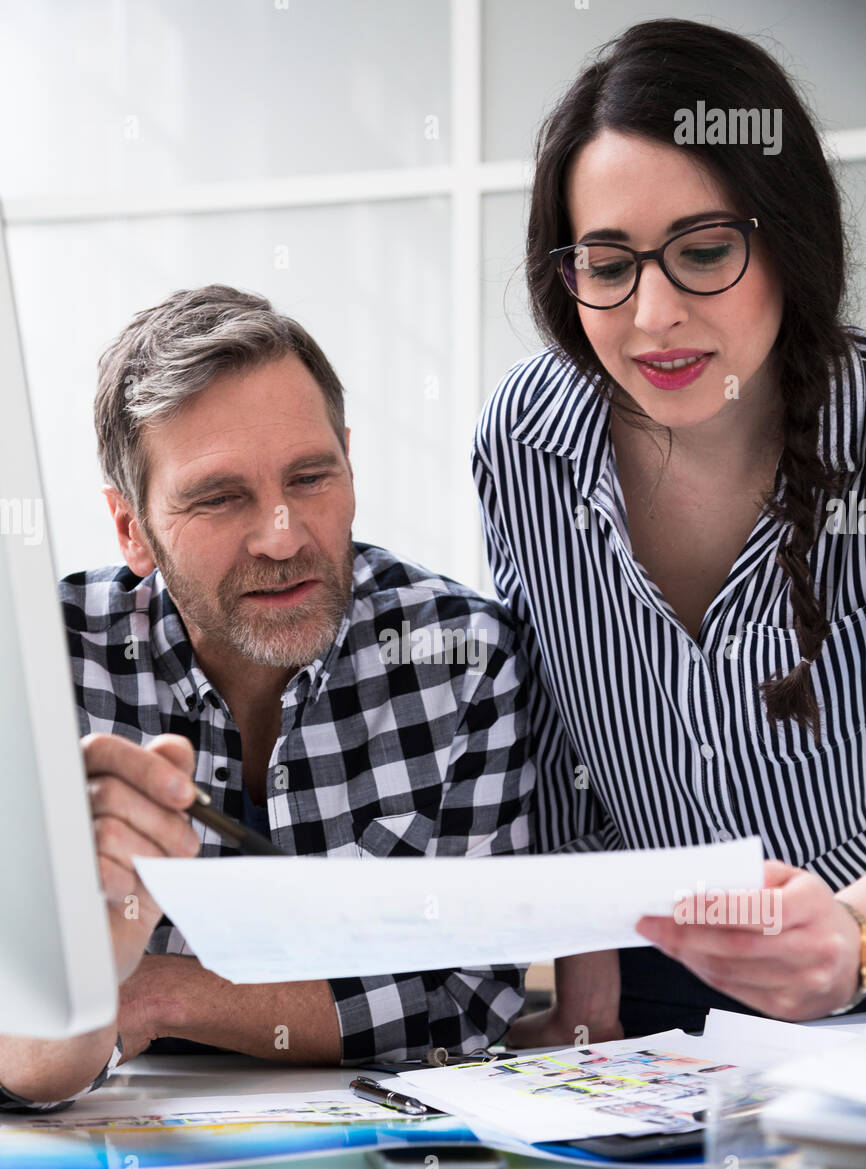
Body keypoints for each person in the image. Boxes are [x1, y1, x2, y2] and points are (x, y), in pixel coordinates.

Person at [0, 285, 534, 1111]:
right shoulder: (40, 670)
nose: (283, 535)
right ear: (131, 529)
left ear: (350, 464)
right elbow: (20, 1044)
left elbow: (464, 1002)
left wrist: (153, 993)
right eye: (219, 497)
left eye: (310, 476)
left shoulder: (459, 655)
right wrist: (84, 981)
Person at [472, 19, 866, 1045]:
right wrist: (586, 1004)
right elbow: (550, 735)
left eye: (701, 252)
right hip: (654, 998)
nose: (651, 315)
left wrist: (851, 940)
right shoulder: (527, 440)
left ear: (785, 235)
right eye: (606, 265)